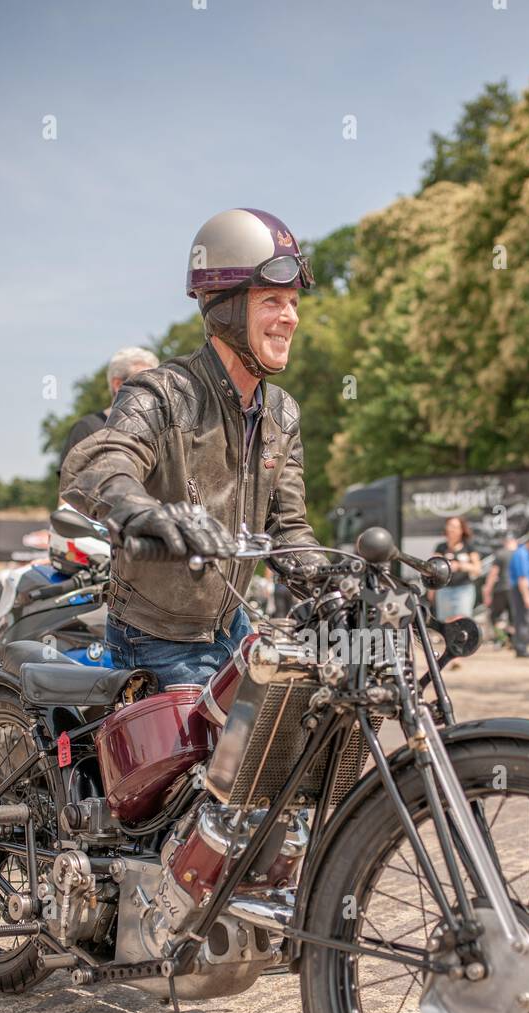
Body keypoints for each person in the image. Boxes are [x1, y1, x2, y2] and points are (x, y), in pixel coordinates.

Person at [60, 207, 321, 690]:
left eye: (293, 302)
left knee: (293, 741)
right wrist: (141, 511)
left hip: (233, 629)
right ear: (224, 307)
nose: (290, 317)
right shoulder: (159, 393)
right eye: (272, 300)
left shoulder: (282, 414)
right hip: (155, 637)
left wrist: (331, 582)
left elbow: (286, 528)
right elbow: (101, 462)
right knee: (202, 766)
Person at [59, 346, 160, 470]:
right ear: (118, 384)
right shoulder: (86, 429)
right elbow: (71, 484)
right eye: (144, 382)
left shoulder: (160, 433)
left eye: (155, 383)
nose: (152, 390)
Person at [432, 516, 481, 622]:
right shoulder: (440, 548)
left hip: (463, 589)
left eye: (455, 526)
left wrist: (460, 565)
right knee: (444, 622)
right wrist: (431, 591)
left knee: (462, 621)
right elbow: (433, 568)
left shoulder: (469, 547)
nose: (451, 529)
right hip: (444, 590)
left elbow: (477, 568)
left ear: (461, 530)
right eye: (449, 526)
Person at [481, 535, 517, 645]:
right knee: (514, 618)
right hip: (514, 590)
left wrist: (487, 590)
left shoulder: (500, 554)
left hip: (501, 589)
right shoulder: (519, 554)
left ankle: (502, 638)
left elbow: (493, 573)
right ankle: (512, 640)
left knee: (495, 617)